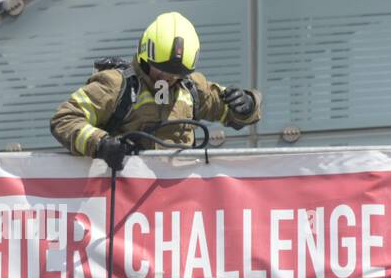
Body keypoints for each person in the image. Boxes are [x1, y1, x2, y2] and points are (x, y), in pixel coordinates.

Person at [49, 11, 262, 170]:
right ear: (145, 56)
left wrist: (247, 105)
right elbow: (65, 119)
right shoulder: (115, 85)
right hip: (125, 201)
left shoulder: (193, 88)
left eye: (175, 74)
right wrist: (101, 144)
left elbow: (233, 113)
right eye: (161, 70)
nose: (167, 79)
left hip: (179, 205)